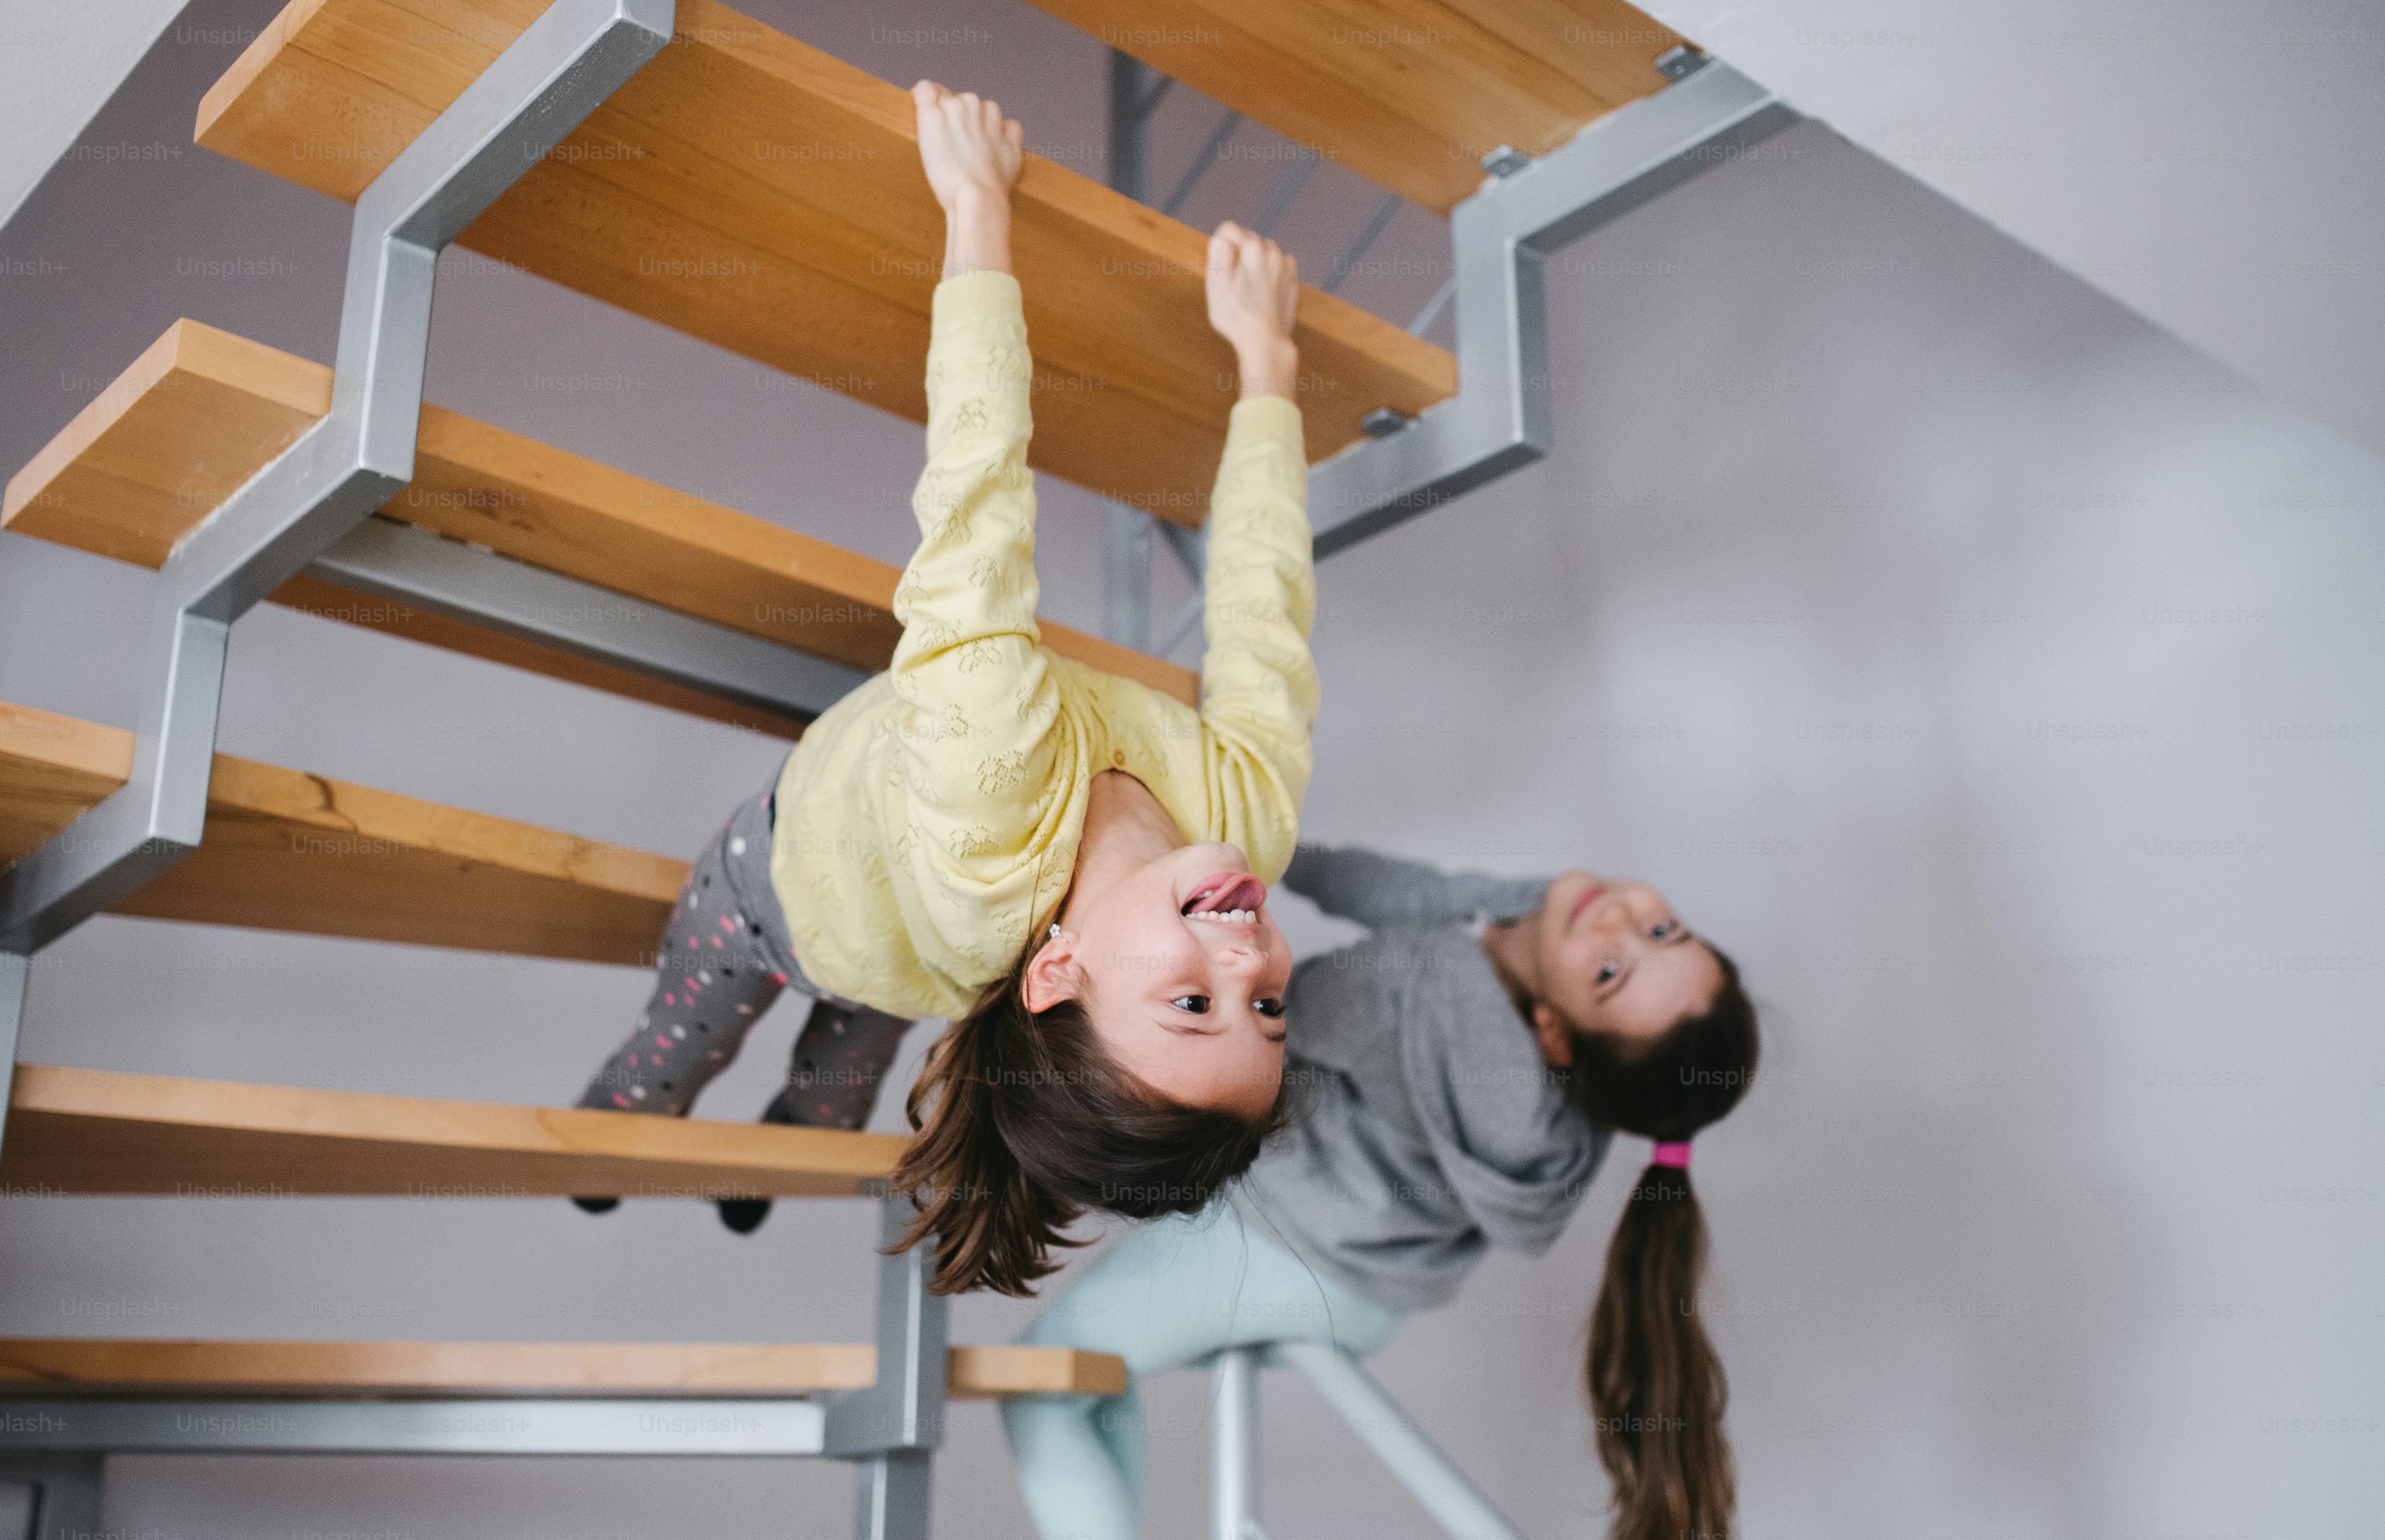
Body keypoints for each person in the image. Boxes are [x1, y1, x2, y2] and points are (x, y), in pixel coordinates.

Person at [574, 82, 1321, 1295]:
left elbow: (975, 506)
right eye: (1270, 1012)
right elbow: (1262, 614)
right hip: (914, 955)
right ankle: (724, 1148)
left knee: (691, 1028)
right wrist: (1267, 369)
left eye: (1194, 1002)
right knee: (846, 1067)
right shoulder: (1245, 816)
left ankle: (619, 1125)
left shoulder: (993, 784)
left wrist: (976, 207)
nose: (1250, 965)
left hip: (779, 885)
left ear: (1057, 974)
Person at [1003, 844, 1761, 1540]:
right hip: (1368, 1289)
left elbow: (1277, 1022)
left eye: (1609, 972)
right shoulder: (1548, 1010)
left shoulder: (1433, 992)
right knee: (1099, 1374)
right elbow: (1420, 894)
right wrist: (1279, 852)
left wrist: (1215, 894)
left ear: (1556, 1034)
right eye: (1664, 929)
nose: (1620, 922)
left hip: (1278, 1253)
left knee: (1046, 1375)